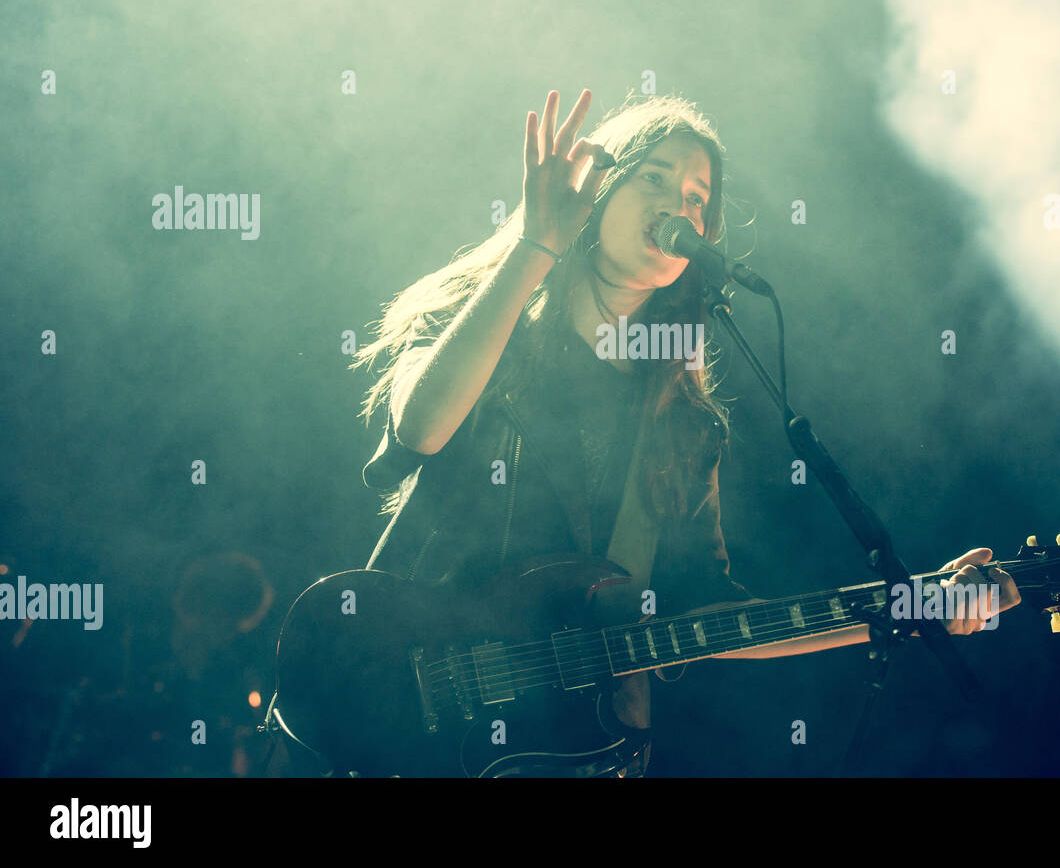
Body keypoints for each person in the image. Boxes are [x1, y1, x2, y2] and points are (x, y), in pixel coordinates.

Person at [351, 88, 1019, 776]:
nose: (682, 204)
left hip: (566, 754)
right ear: (597, 190)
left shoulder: (683, 423)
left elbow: (702, 607)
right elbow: (420, 430)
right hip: (396, 708)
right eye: (656, 177)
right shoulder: (479, 322)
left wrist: (914, 603)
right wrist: (535, 247)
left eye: (700, 196)